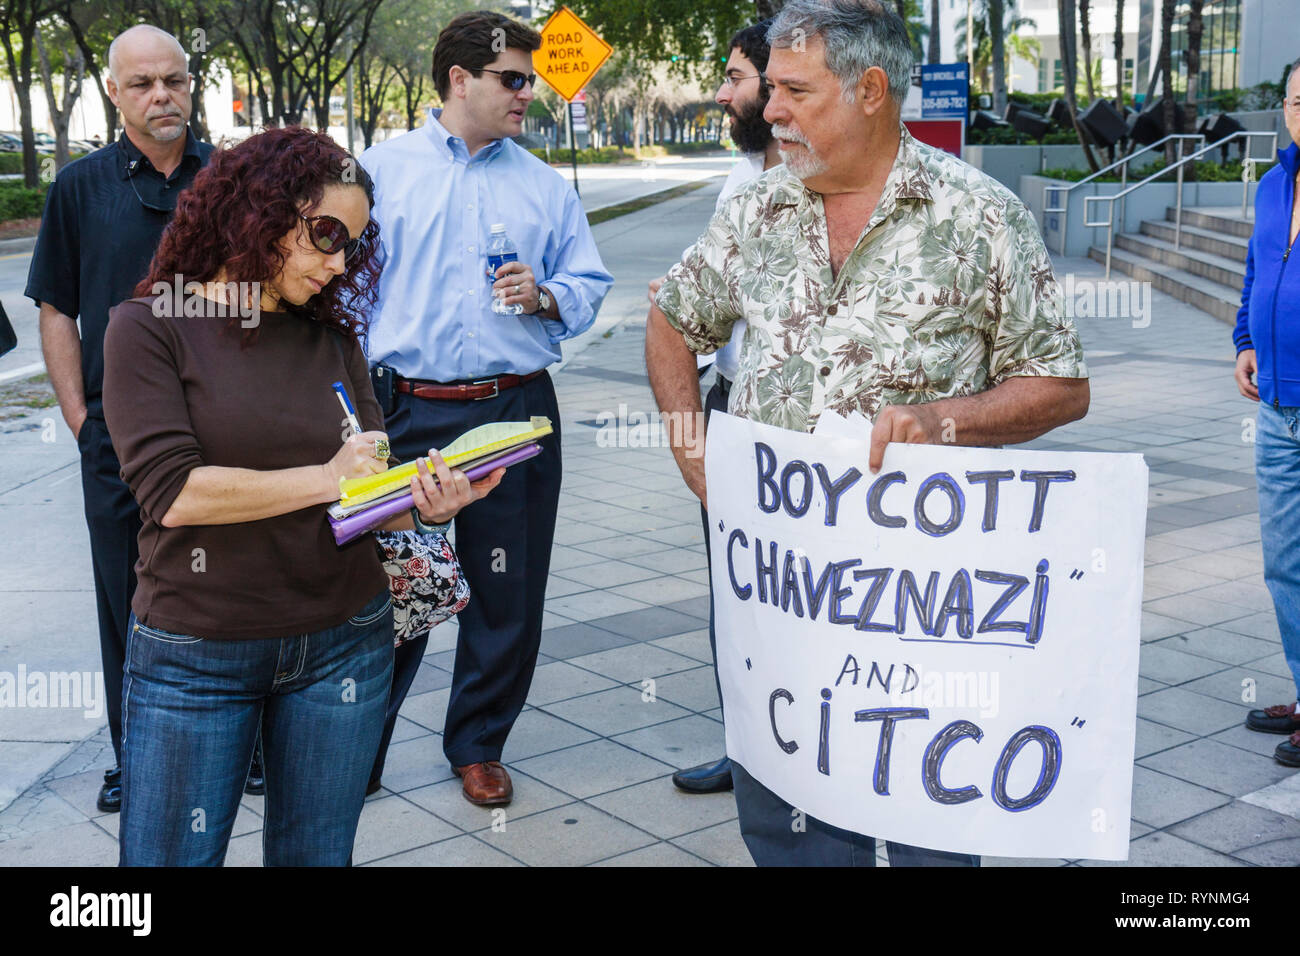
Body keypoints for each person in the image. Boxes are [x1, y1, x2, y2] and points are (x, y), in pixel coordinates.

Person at [645, 0, 1089, 866]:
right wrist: (690, 438)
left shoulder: (981, 216)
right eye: (769, 89)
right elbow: (670, 319)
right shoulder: (756, 211)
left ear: (871, 90)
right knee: (789, 828)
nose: (769, 111)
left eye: (794, 91)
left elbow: (1060, 387)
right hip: (781, 596)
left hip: (920, 610)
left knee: (931, 837)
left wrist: (943, 421)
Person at [101, 126, 503, 865]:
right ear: (259, 210)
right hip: (199, 651)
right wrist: (328, 479)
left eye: (353, 242)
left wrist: (426, 501)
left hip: (343, 642)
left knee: (317, 857)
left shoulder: (335, 341)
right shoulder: (149, 328)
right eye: (324, 234)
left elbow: (364, 489)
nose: (339, 260)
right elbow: (174, 492)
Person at [359, 10, 613, 806]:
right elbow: (338, 290)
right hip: (405, 415)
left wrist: (545, 294)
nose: (526, 94)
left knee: (507, 590)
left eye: (530, 80)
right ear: (459, 80)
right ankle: (356, 747)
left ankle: (478, 742)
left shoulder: (542, 185)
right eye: (512, 78)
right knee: (393, 589)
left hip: (513, 413)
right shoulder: (377, 172)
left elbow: (588, 285)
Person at [25, 24, 215, 813]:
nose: (160, 95)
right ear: (114, 92)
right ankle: (134, 756)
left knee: (224, 591)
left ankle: (235, 748)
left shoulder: (232, 180)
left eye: (172, 79)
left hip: (223, 437)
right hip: (115, 441)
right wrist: (79, 419)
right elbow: (56, 311)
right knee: (126, 600)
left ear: (189, 82)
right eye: (141, 84)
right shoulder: (80, 187)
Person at [650, 19, 782, 796]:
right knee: (737, 589)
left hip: (808, 426)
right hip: (733, 407)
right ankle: (749, 748)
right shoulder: (743, 176)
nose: (724, 93)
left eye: (737, 77)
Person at [1233, 57, 1300, 766]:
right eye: (1294, 98)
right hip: (1277, 409)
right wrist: (1246, 341)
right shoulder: (1273, 185)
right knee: (1285, 564)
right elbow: (1256, 269)